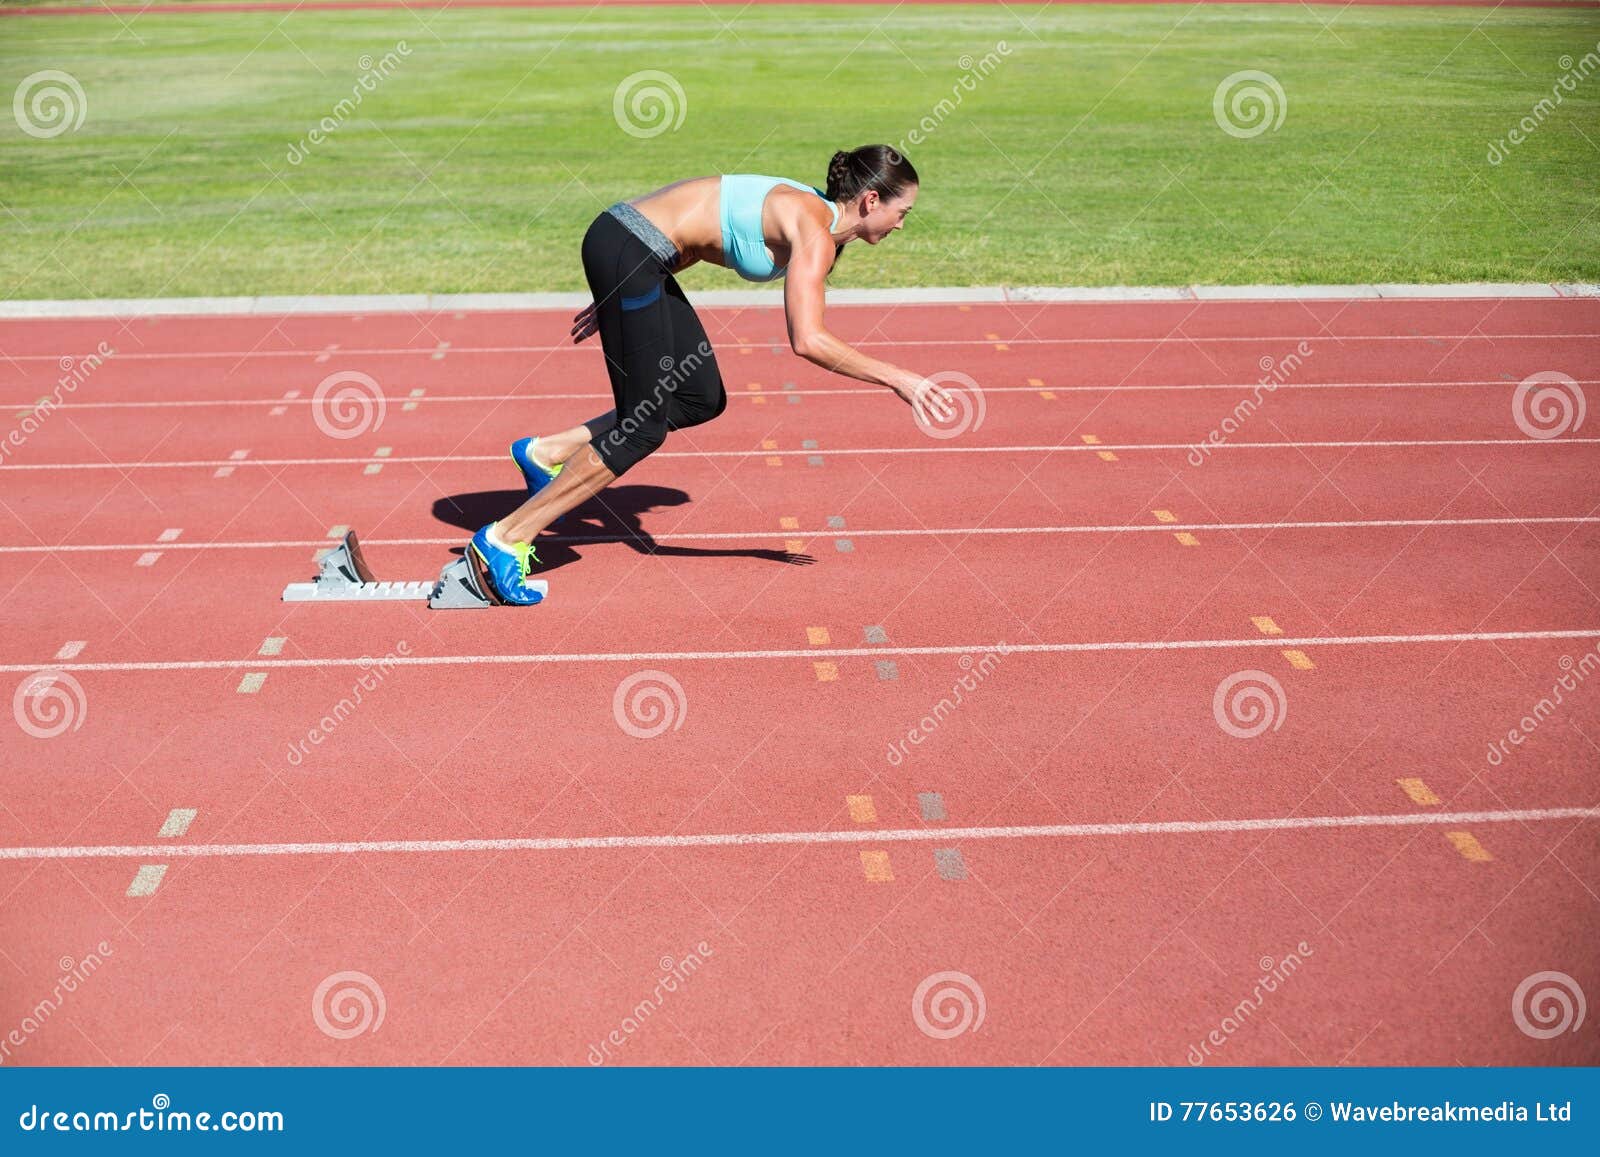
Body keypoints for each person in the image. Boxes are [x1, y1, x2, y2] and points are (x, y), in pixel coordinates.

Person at [466, 144, 952, 604]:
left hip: (634, 253)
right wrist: (899, 378)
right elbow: (808, 340)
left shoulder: (815, 222)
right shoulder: (813, 228)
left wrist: (619, 285)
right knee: (642, 431)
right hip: (629, 249)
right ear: (871, 200)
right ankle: (505, 538)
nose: (901, 225)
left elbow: (701, 237)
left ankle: (544, 452)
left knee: (699, 396)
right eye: (902, 212)